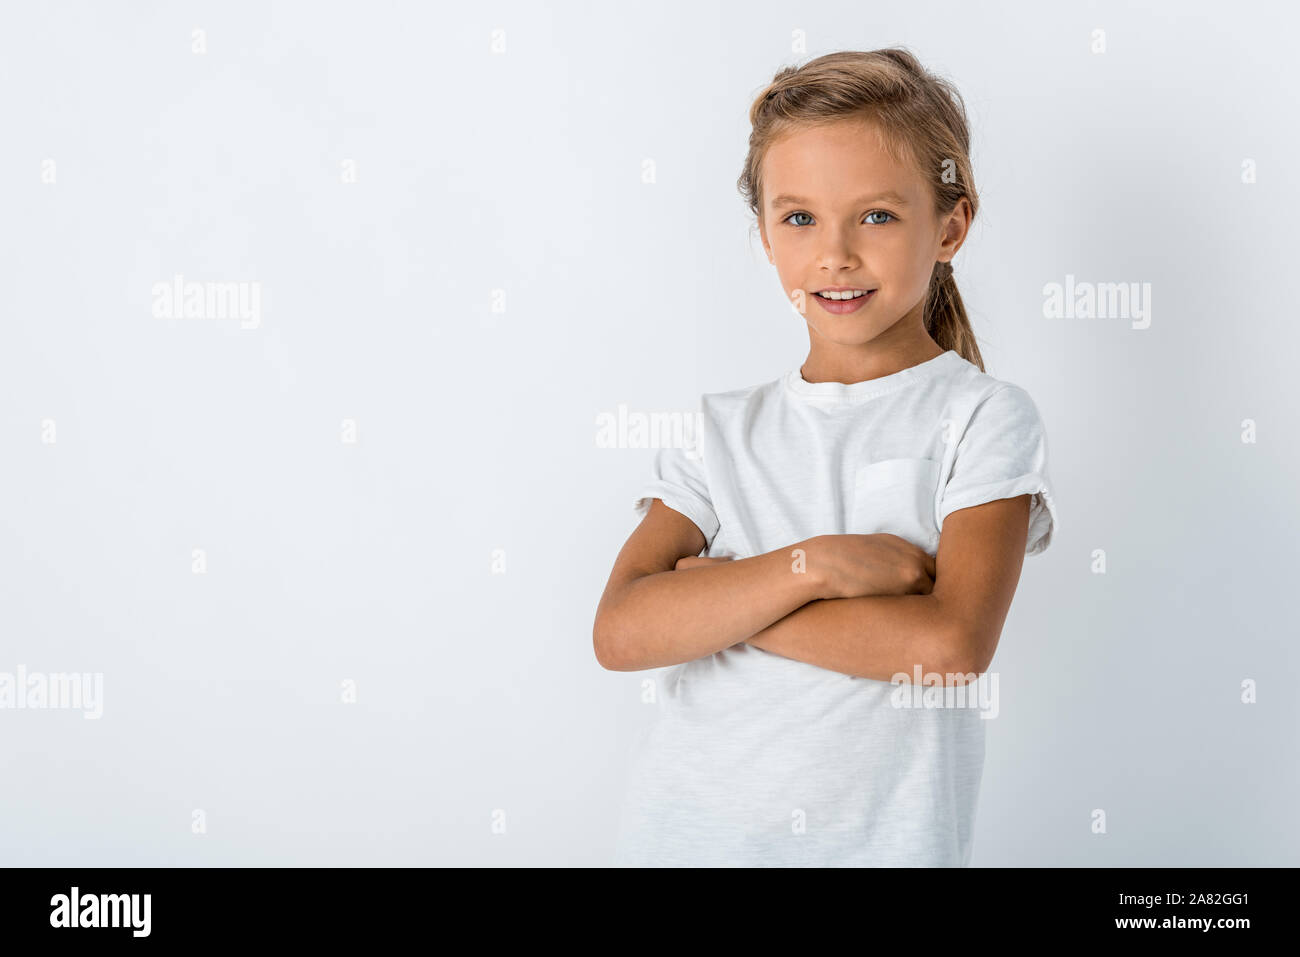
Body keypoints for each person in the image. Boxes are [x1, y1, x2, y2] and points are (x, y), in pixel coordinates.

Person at [592, 48, 1059, 867]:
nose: (834, 253)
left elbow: (948, 650)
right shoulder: (719, 429)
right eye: (799, 217)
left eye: (876, 216)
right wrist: (816, 567)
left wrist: (719, 600)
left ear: (949, 227)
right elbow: (624, 631)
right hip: (684, 840)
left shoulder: (982, 417)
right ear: (765, 234)